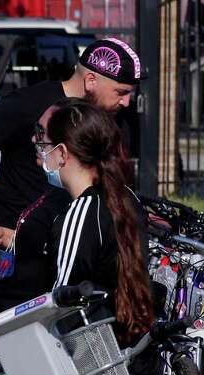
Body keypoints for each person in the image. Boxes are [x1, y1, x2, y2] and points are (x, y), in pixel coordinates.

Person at [0, 37, 142, 317]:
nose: (126, 102)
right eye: (120, 91)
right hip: (13, 252)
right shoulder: (30, 104)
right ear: (90, 80)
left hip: (70, 250)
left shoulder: (113, 119)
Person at [34, 98, 152, 340]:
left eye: (45, 145)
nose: (42, 153)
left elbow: (57, 304)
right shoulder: (126, 198)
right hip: (127, 340)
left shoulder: (81, 211)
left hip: (90, 352)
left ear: (63, 153)